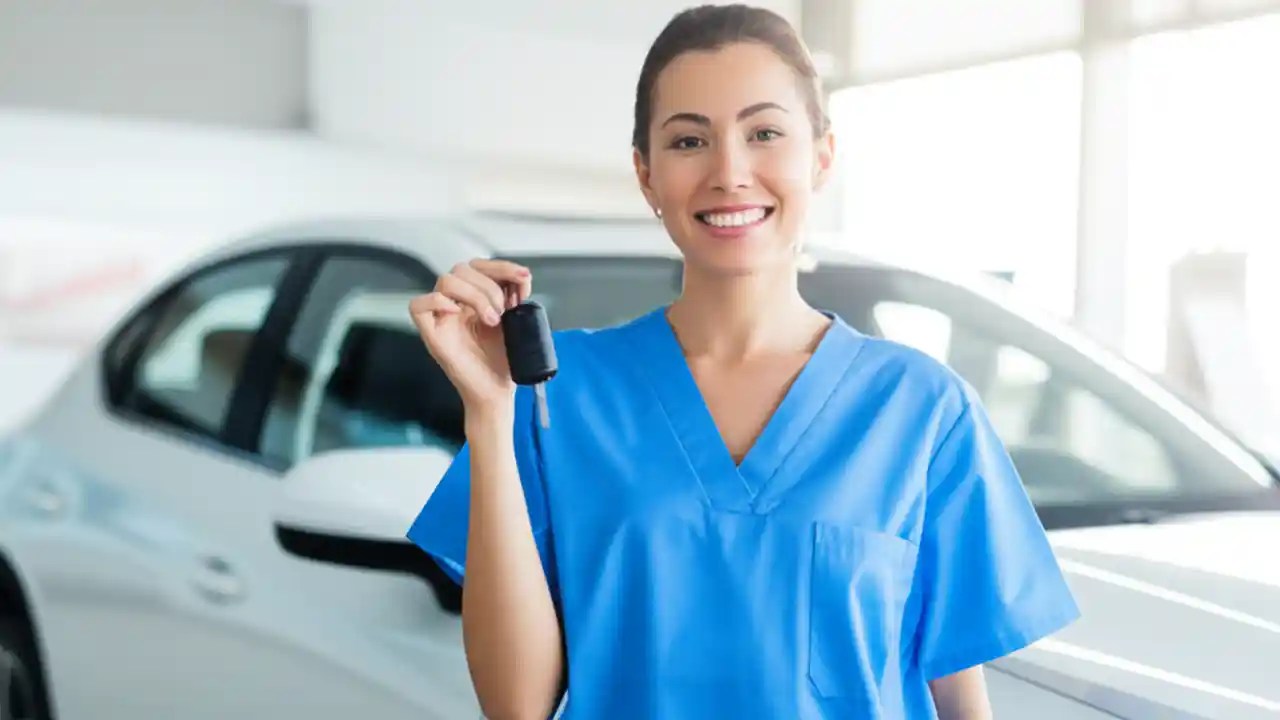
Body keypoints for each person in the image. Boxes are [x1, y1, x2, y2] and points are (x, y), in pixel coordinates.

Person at [405, 4, 1080, 719]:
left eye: (764, 133)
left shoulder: (922, 411)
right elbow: (515, 706)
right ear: (646, 174)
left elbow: (958, 700)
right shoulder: (548, 399)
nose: (730, 172)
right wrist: (486, 412)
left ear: (820, 156)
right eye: (690, 140)